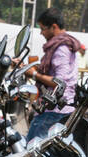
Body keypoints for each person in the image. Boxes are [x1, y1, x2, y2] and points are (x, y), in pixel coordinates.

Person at [24, 8, 83, 142]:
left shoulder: (61, 48)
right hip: (55, 109)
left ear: (54, 27)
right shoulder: (62, 45)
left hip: (55, 110)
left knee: (30, 153)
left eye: (43, 28)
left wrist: (34, 75)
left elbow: (60, 82)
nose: (41, 33)